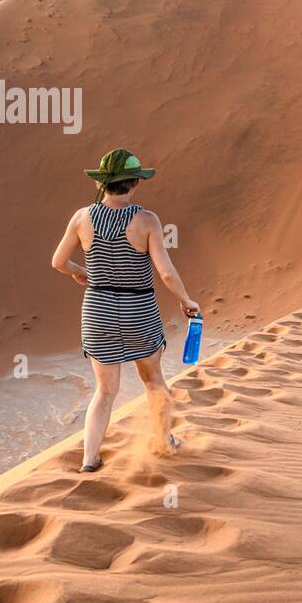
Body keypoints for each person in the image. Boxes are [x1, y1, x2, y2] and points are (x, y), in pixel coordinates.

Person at [51, 148, 200, 472]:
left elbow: (58, 262)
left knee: (104, 391)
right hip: (139, 313)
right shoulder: (146, 220)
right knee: (153, 382)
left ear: (104, 182)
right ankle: (165, 441)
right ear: (134, 183)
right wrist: (186, 301)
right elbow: (166, 273)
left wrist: (81, 271)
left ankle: (90, 459)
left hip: (97, 311)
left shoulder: (82, 217)